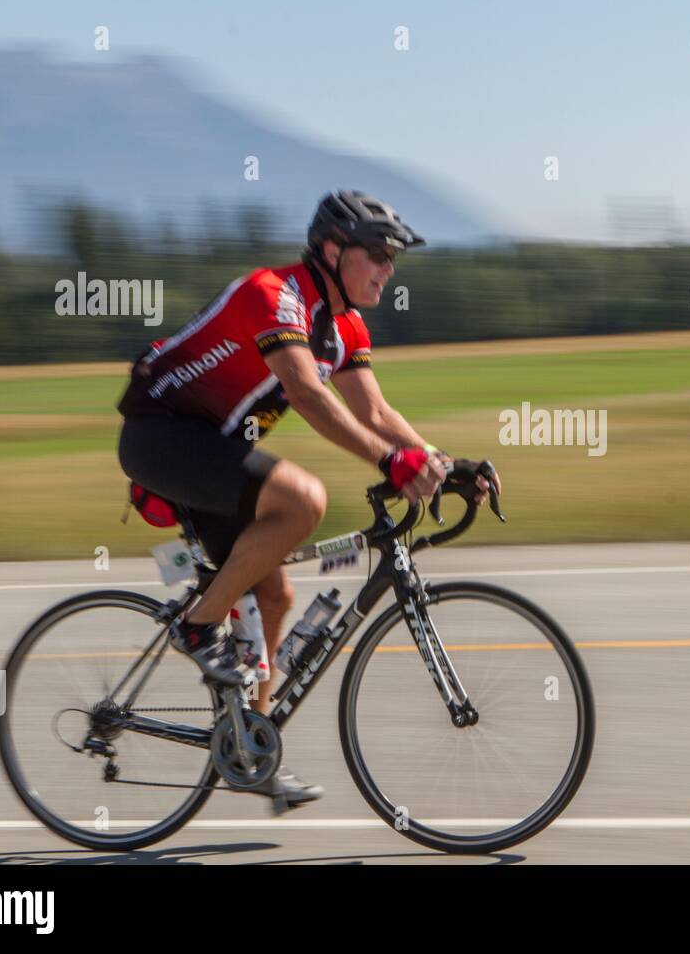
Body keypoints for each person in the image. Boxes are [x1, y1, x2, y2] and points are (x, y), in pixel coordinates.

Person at [115, 191, 497, 810]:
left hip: (210, 451)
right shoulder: (274, 294)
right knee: (302, 501)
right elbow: (309, 394)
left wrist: (444, 464)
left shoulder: (343, 325)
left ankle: (247, 752)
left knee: (275, 594)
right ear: (331, 249)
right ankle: (196, 626)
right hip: (161, 436)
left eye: (392, 257)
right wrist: (387, 461)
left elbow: (375, 411)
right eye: (376, 253)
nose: (387, 268)